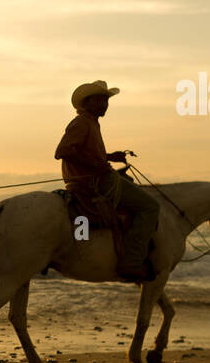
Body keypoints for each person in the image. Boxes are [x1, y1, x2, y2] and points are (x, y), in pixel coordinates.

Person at [54, 80, 159, 282]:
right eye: (100, 100)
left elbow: (86, 152)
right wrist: (97, 165)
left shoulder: (91, 122)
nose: (105, 105)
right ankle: (131, 261)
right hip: (94, 182)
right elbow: (63, 151)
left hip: (93, 179)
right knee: (150, 207)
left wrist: (109, 156)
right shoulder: (82, 122)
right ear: (87, 102)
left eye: (106, 100)